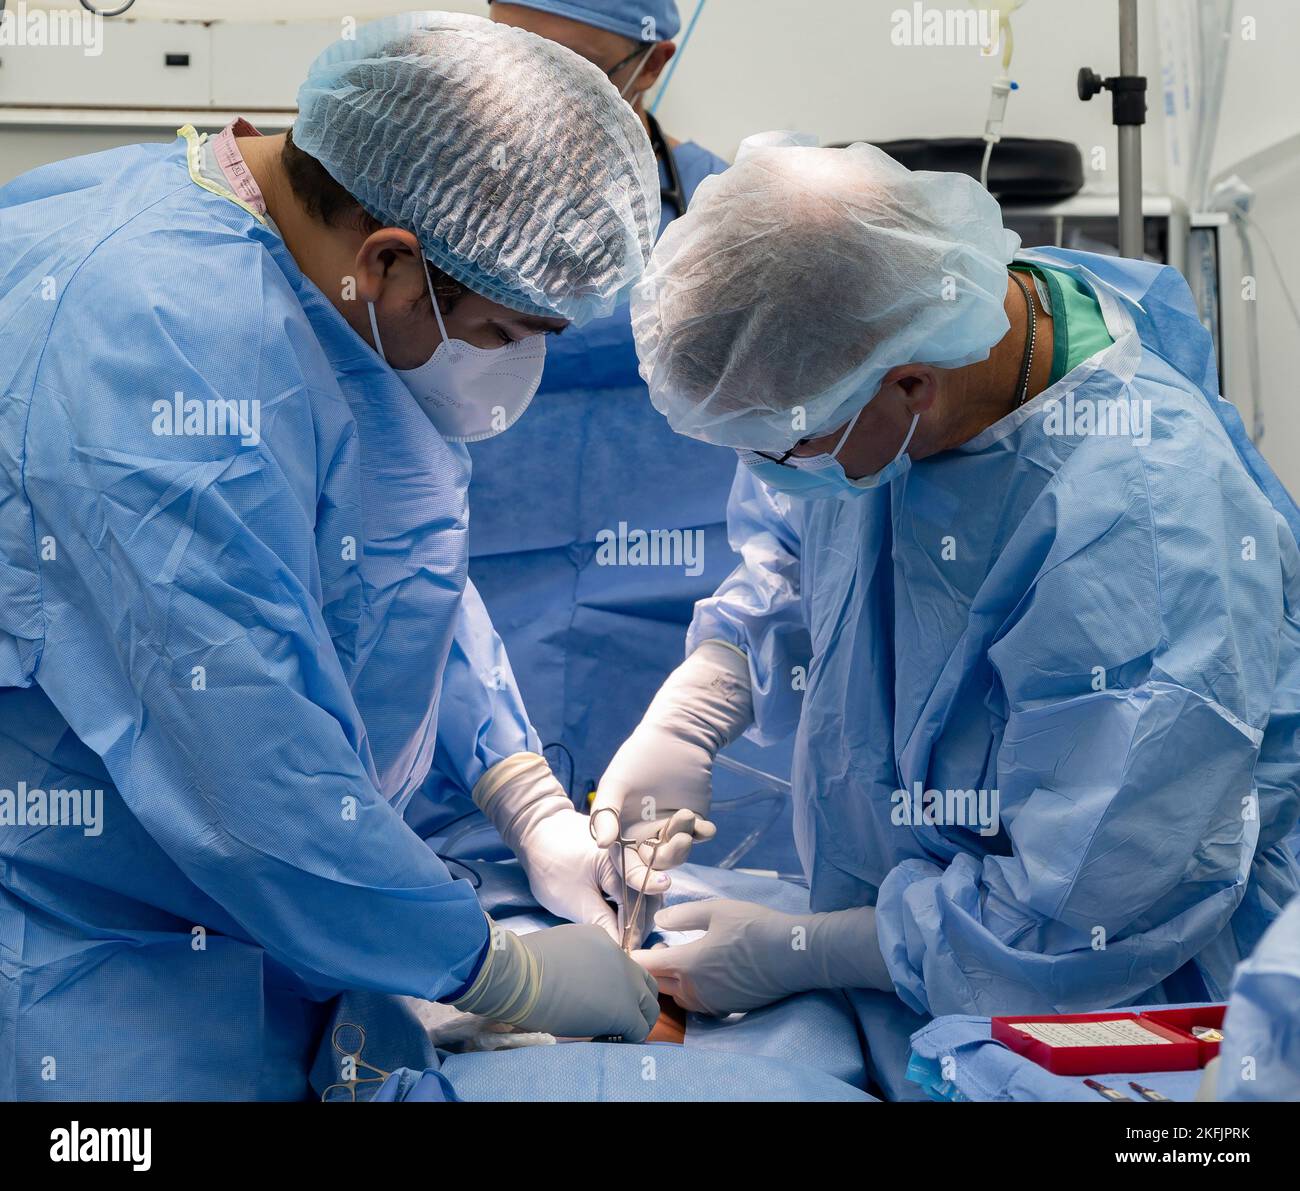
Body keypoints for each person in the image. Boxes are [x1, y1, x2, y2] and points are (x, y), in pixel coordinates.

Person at [0, 12, 665, 1101]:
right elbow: (246, 739)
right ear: (391, 261)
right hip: (95, 945)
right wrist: (493, 967)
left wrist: (523, 791)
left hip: (269, 912)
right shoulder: (153, 338)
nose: (511, 372)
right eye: (504, 335)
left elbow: (394, 572)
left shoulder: (322, 298)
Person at [608, 132, 1300, 1020]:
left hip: (1109, 1013)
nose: (773, 471)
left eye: (783, 447)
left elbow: (1094, 904)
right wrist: (697, 706)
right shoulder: (901, 329)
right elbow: (800, 540)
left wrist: (818, 949)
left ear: (909, 388)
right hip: (909, 962)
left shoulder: (1147, 531)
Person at [435, 1, 733, 869]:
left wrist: (702, 707)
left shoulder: (724, 225)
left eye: (574, 68)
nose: (537, 96)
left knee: (682, 894)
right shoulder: (430, 211)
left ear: (655, 60)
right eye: (511, 57)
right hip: (467, 629)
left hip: (672, 640)